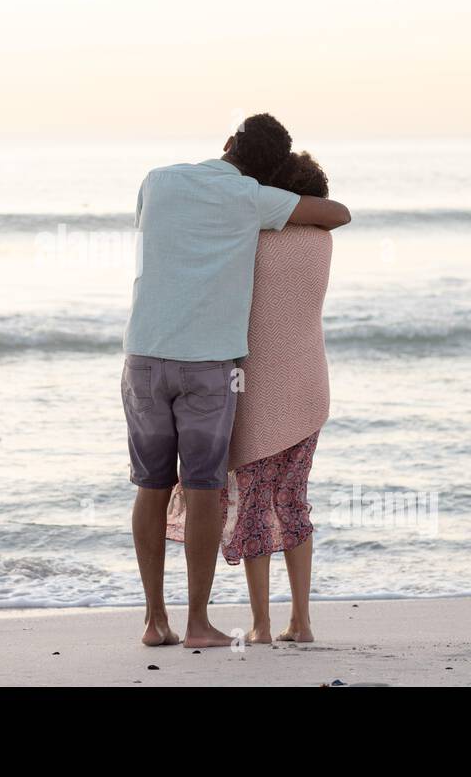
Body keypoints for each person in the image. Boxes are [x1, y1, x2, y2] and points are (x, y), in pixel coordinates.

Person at [121, 115, 350, 648]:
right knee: (204, 488)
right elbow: (336, 214)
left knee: (151, 485)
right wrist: (270, 198)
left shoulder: (157, 180)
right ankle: (199, 623)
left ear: (228, 144)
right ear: (267, 173)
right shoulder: (254, 198)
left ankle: (156, 621)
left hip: (144, 357)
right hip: (208, 364)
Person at [166, 150, 335, 644]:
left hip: (258, 389)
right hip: (309, 386)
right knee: (293, 501)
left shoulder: (254, 239)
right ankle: (301, 621)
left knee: (256, 505)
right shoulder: (323, 241)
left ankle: (262, 624)